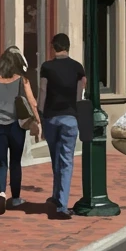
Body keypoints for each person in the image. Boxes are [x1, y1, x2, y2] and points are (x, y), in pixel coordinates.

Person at [0, 46, 41, 215]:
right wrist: (37, 121)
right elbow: (32, 102)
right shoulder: (21, 79)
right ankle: (15, 198)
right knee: (15, 162)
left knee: (1, 162)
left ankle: (1, 193)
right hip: (16, 126)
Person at [38, 33, 86, 218]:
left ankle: (57, 197)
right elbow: (80, 91)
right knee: (66, 160)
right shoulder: (77, 67)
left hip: (51, 117)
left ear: (53, 46)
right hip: (70, 118)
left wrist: (40, 113)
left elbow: (43, 90)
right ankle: (61, 204)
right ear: (68, 46)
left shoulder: (47, 67)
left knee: (55, 159)